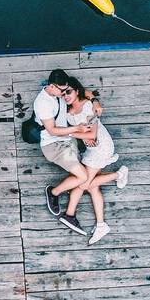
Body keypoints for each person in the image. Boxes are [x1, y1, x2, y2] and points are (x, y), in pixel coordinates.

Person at [56, 77, 128, 244]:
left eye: (69, 92)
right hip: (90, 149)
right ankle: (101, 224)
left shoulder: (87, 106)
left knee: (84, 184)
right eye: (63, 93)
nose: (66, 96)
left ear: (76, 91)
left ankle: (118, 174)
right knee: (93, 186)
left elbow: (92, 135)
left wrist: (70, 133)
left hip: (102, 146)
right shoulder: (67, 111)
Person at [32, 69, 91, 210]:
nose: (64, 94)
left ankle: (71, 186)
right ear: (52, 86)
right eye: (62, 91)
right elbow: (52, 130)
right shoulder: (43, 103)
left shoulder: (59, 89)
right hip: (53, 145)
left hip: (67, 139)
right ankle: (53, 192)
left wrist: (95, 103)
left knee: (80, 173)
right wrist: (77, 128)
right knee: (83, 177)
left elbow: (85, 91)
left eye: (66, 90)